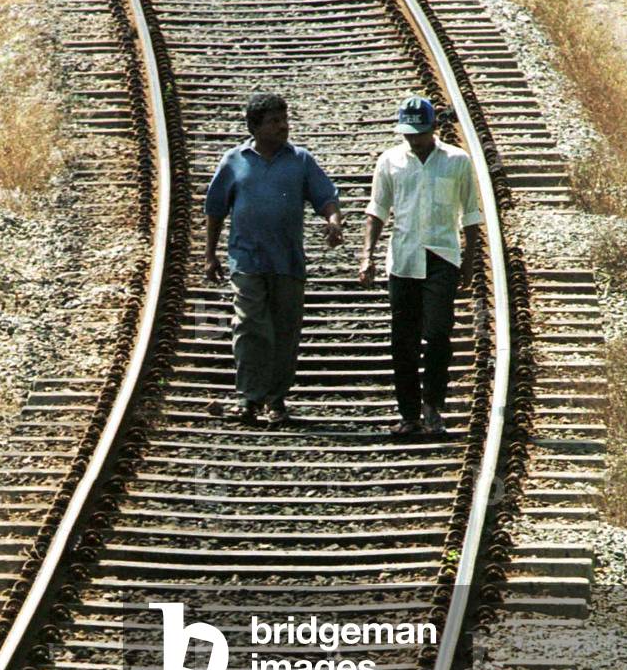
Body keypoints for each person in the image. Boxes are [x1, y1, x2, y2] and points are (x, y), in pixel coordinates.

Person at [205, 92, 343, 426]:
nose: (283, 126)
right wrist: (209, 255)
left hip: (288, 261)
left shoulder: (300, 160)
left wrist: (333, 220)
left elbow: (326, 197)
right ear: (253, 126)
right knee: (252, 326)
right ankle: (250, 398)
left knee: (285, 330)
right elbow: (215, 209)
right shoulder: (234, 161)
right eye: (274, 121)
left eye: (284, 119)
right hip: (246, 260)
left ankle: (277, 399)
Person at [359, 96, 482, 437]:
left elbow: (471, 215)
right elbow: (377, 210)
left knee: (439, 334)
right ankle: (410, 415)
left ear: (434, 128)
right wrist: (367, 255)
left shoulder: (457, 161)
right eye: (408, 133)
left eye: (420, 133)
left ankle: (433, 406)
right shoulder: (390, 161)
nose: (414, 139)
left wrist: (470, 262)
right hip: (403, 259)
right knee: (403, 340)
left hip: (442, 257)